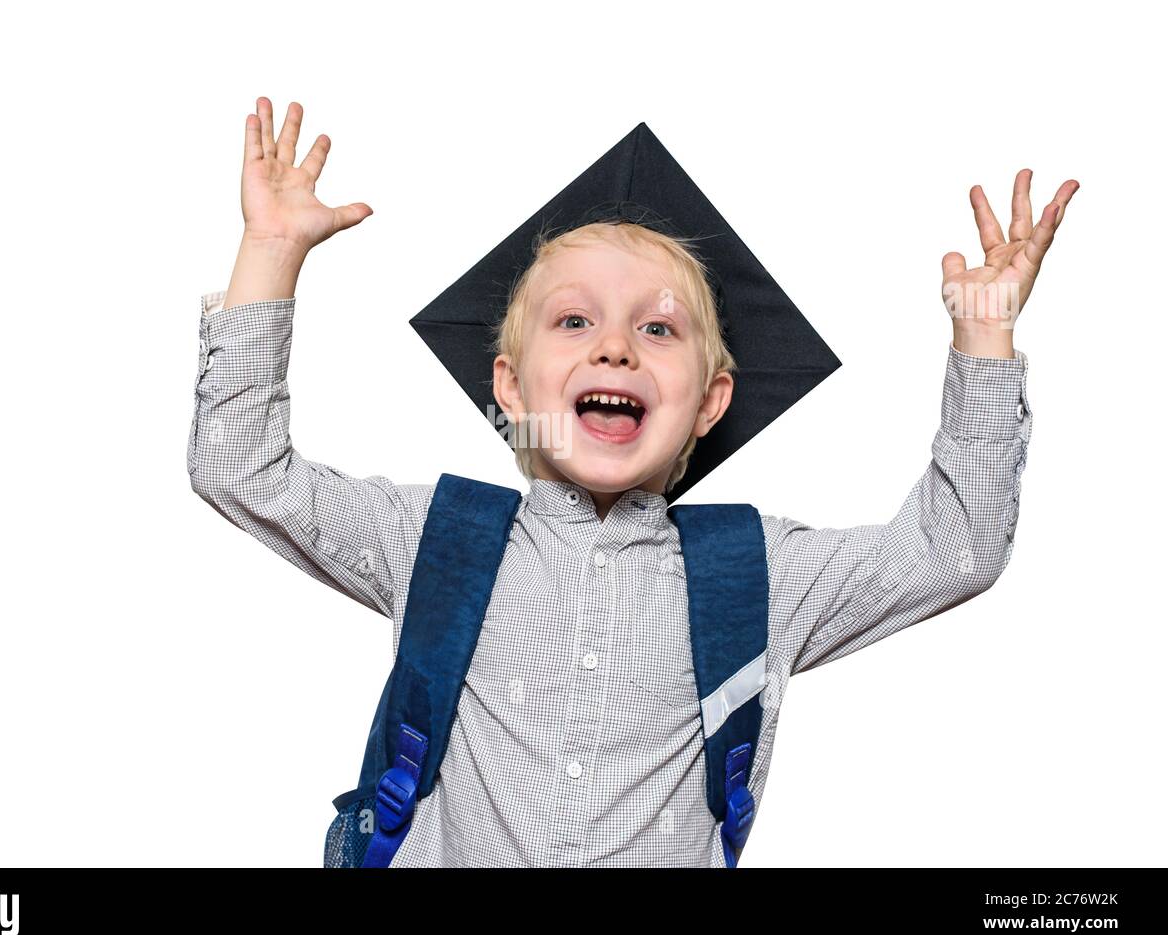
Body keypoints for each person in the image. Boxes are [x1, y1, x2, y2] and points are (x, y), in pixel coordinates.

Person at [188, 96, 1078, 866]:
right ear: (509, 386)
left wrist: (985, 333)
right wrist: (269, 253)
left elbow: (953, 548)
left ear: (709, 401)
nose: (614, 345)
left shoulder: (759, 575)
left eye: (659, 330)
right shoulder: (434, 539)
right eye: (574, 320)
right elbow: (239, 467)